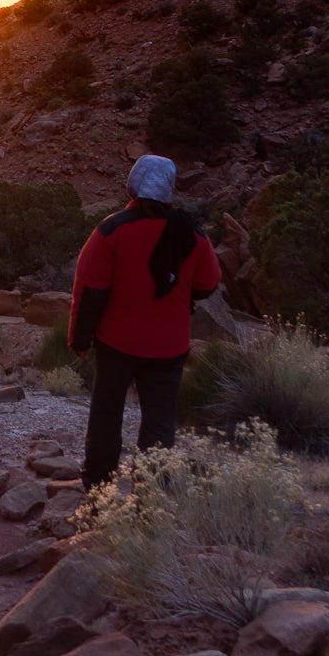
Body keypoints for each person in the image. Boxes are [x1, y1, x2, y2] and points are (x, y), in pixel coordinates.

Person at [67, 154, 222, 490]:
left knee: (107, 413)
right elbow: (209, 283)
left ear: (134, 184)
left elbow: (89, 290)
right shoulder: (192, 234)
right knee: (159, 421)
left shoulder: (111, 230)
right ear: (169, 188)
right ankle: (152, 492)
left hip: (116, 344)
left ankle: (98, 486)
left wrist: (80, 338)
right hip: (169, 347)